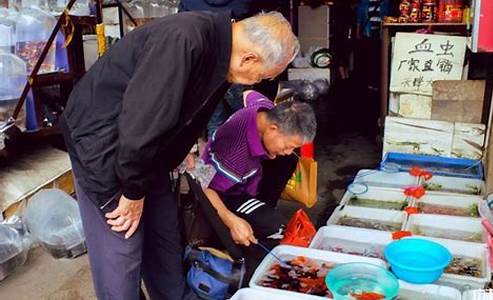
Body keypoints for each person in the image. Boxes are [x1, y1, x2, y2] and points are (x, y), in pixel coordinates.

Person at [61, 11, 299, 300]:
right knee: (122, 250)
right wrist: (133, 192)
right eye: (261, 76)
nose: (253, 83)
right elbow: (141, 125)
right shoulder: (183, 40)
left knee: (165, 243)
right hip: (106, 146)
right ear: (249, 58)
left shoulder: (224, 51)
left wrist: (185, 148)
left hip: (151, 153)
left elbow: (182, 110)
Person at [201, 90, 317, 247]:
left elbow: (248, 93)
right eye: (288, 146)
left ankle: (262, 207)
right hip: (228, 194)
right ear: (273, 129)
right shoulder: (235, 153)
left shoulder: (265, 109)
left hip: (249, 176)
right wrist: (232, 221)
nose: (288, 151)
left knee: (288, 160)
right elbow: (206, 190)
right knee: (274, 227)